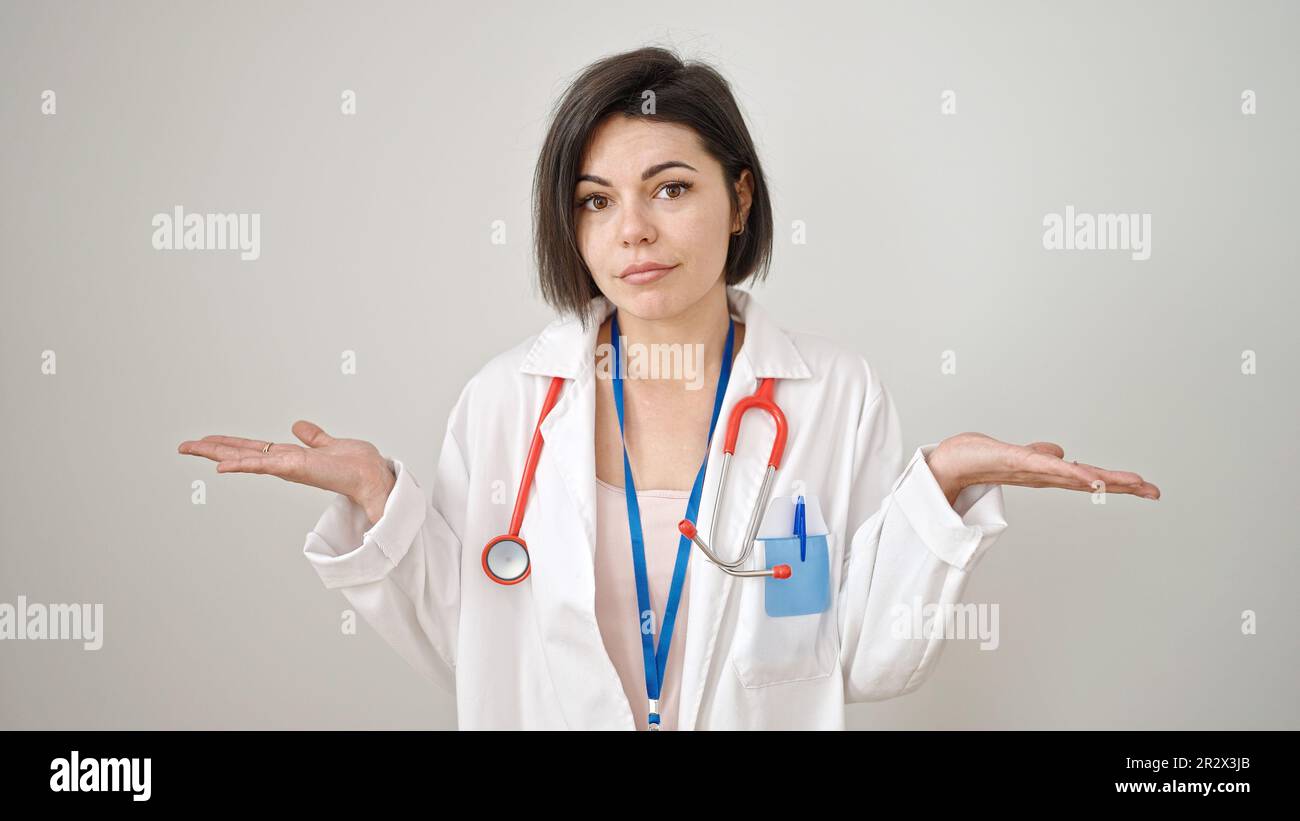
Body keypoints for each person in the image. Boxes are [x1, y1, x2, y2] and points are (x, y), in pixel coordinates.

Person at [177, 46, 1160, 730]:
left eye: (670, 187)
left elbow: (855, 660)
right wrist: (380, 502)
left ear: (738, 197)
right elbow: (476, 648)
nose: (631, 230)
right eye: (595, 201)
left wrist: (936, 489)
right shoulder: (505, 403)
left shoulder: (830, 395)